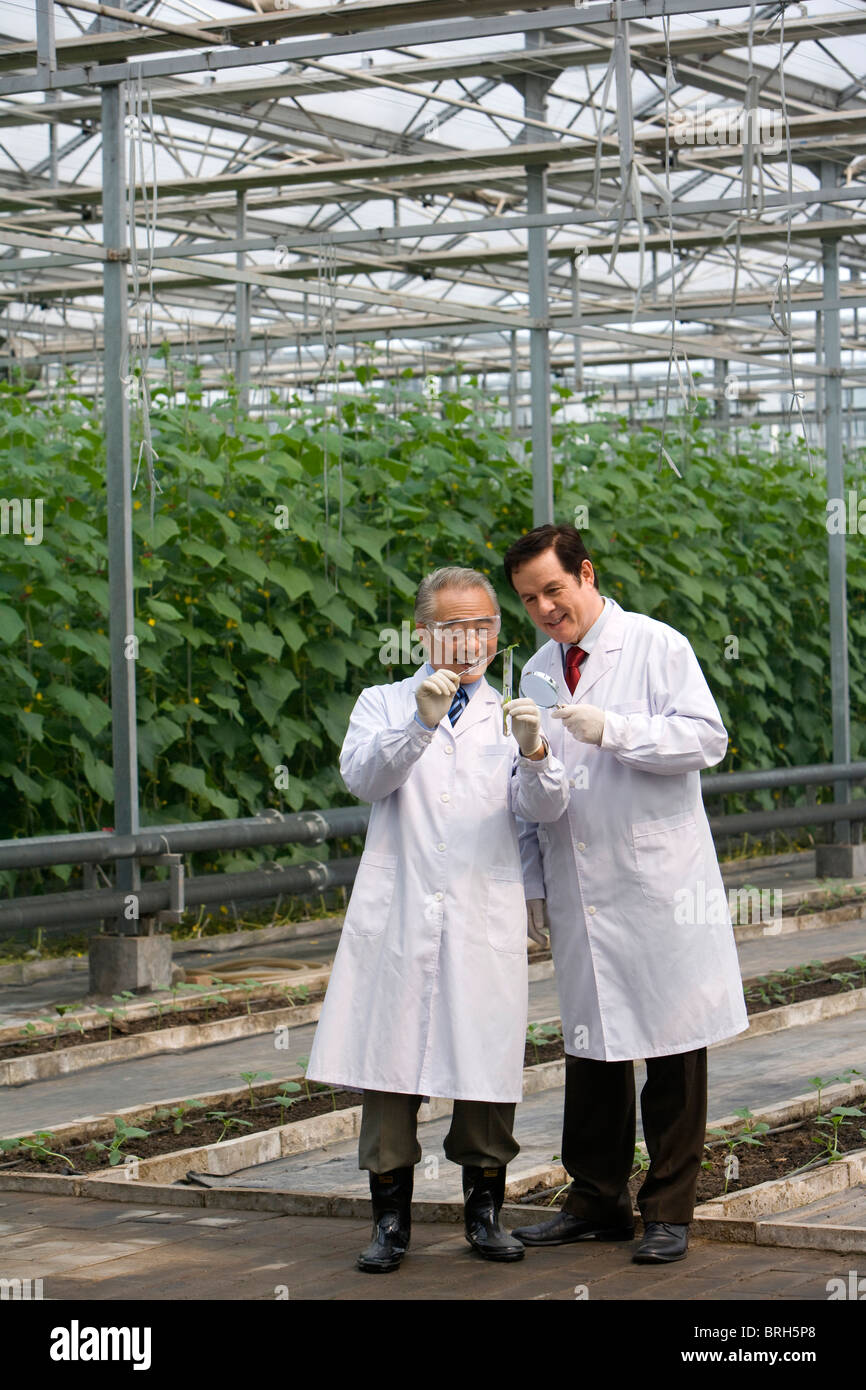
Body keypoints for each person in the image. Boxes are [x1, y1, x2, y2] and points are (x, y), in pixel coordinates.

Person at [306, 565, 570, 1273]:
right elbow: (365, 777)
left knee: (485, 1060)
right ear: (423, 632)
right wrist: (420, 725)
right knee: (391, 1064)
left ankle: (484, 1212)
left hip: (484, 908)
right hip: (402, 912)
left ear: (496, 631)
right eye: (451, 627)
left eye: (482, 625)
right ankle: (389, 1219)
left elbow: (545, 810)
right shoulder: (384, 702)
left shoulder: (515, 710)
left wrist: (536, 752)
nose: (468, 641)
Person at [502, 524, 748, 1265]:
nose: (545, 608)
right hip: (584, 885)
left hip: (658, 883)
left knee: (673, 1048)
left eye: (554, 589)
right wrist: (535, 760)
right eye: (529, 599)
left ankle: (669, 1210)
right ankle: (596, 1200)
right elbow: (537, 801)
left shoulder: (655, 646)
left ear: (586, 574)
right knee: (594, 1047)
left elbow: (706, 739)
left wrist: (615, 729)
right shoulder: (538, 671)